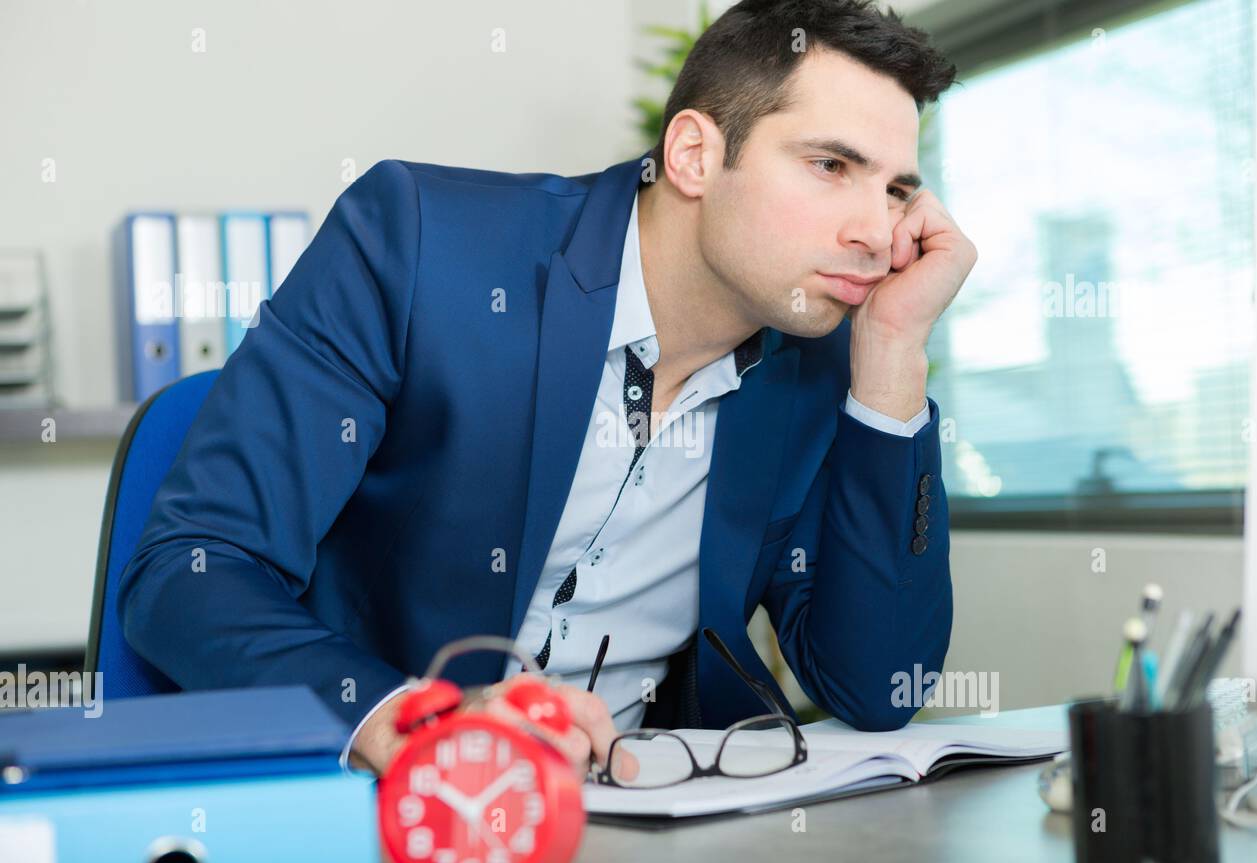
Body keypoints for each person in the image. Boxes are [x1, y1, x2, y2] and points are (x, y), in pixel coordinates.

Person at [119, 0, 975, 781]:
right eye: (832, 165)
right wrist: (417, 723)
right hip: (379, 802)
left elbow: (874, 685)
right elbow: (191, 570)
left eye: (896, 189)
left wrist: (894, 353)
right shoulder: (419, 245)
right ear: (693, 154)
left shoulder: (823, 355)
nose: (875, 233)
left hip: (637, 818)